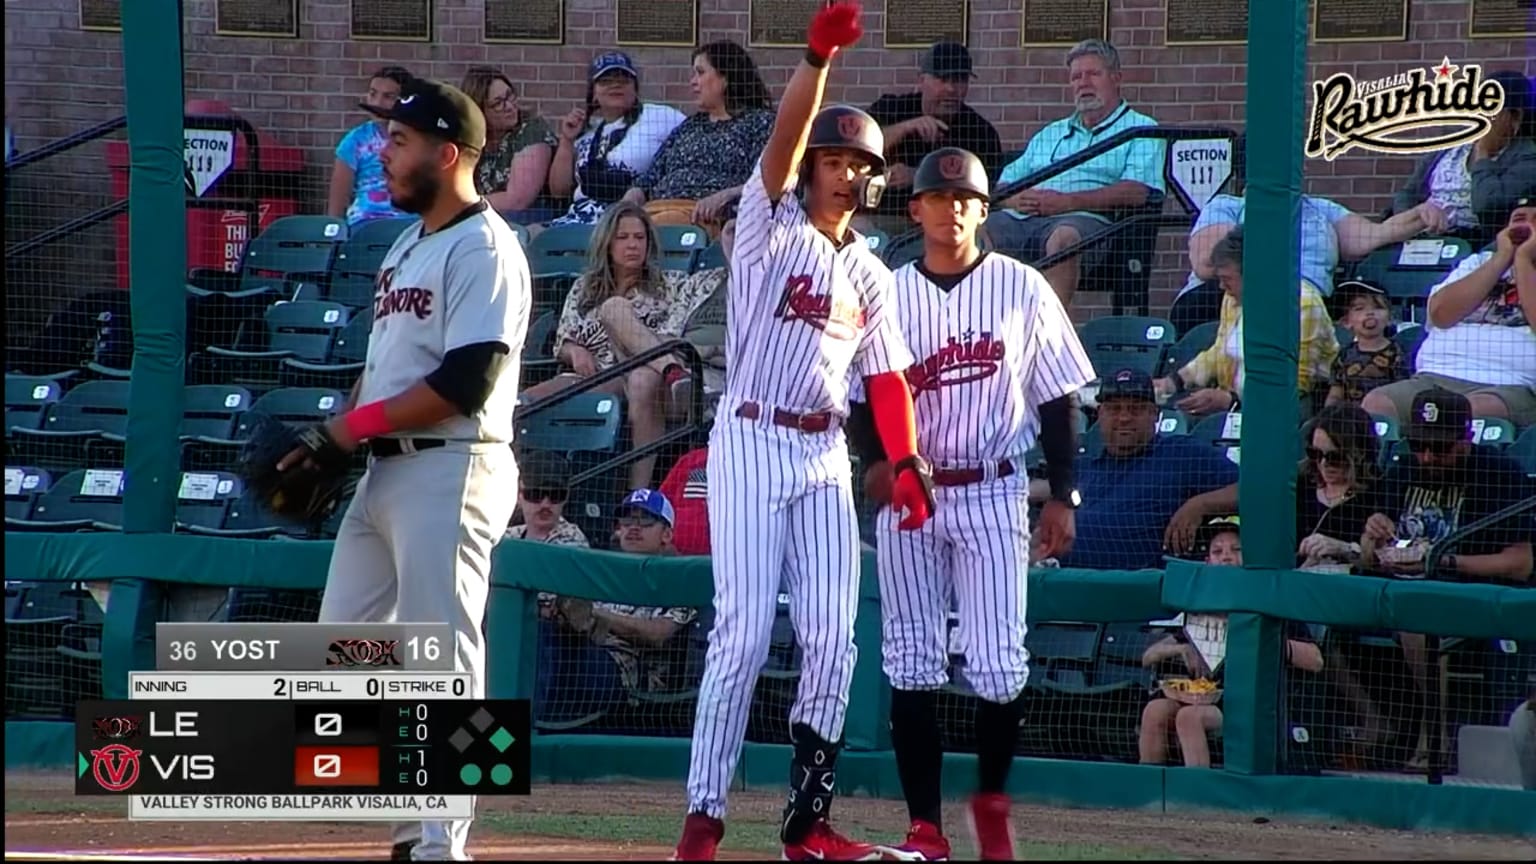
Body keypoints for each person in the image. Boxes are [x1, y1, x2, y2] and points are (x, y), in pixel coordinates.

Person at [671, 4, 931, 860]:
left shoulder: (872, 272)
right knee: (743, 631)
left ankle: (807, 824)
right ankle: (704, 820)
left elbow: (885, 378)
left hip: (822, 452)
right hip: (747, 437)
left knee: (832, 638)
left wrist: (905, 459)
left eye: (859, 165)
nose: (845, 175)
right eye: (833, 161)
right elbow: (778, 143)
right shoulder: (765, 228)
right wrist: (817, 58)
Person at [277, 78, 530, 862]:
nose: (381, 152)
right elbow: (384, 366)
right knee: (343, 648)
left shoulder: (486, 246)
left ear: (447, 154)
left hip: (452, 469)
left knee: (446, 658)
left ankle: (440, 841)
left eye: (398, 141)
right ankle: (406, 826)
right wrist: (333, 437)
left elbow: (466, 382)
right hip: (386, 472)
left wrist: (348, 428)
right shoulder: (406, 241)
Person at [845, 148, 1094, 861]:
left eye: (965, 199)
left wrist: (1064, 492)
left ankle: (989, 804)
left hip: (992, 485)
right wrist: (874, 462)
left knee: (996, 660)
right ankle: (925, 824)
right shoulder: (889, 291)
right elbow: (865, 393)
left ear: (983, 210)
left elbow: (1056, 394)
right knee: (912, 658)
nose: (951, 208)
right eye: (937, 197)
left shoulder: (1021, 287)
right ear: (915, 208)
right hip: (912, 493)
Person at [519, 201, 716, 489]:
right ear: (607, 243)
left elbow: (673, 335)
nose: (632, 245)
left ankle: (671, 373)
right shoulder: (584, 287)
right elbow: (562, 339)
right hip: (595, 376)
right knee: (525, 404)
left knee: (616, 312)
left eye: (639, 237)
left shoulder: (670, 285)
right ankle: (520, 490)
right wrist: (575, 351)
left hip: (645, 375)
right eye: (623, 238)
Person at [1170, 133, 1443, 332]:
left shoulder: (1318, 208)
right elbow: (1207, 264)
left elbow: (1372, 235)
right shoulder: (1228, 206)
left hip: (1305, 308)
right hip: (1229, 302)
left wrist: (1421, 213)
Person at [986, 39, 1165, 306]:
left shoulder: (1142, 128)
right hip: (1024, 217)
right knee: (973, 232)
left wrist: (1068, 202)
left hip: (1088, 223)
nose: (1083, 83)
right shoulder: (1052, 132)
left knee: (1064, 239)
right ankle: (985, 329)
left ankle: (1051, 340)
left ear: (1116, 78)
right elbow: (1003, 185)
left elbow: (1137, 191)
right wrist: (1016, 200)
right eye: (1076, 77)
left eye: (1093, 74)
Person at [1137, 518, 1326, 769]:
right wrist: (1182, 648)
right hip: (1202, 698)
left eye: (1236, 550)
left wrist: (1262, 642)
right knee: (1155, 710)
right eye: (1218, 552)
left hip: (1249, 704)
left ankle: (1197, 798)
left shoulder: (1269, 601)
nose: (1226, 557)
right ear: (1208, 563)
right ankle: (1150, 801)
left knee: (1189, 717)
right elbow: (1148, 656)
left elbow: (1315, 660)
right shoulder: (1202, 608)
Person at [1035, 368, 1238, 569]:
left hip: (1140, 589)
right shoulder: (1086, 464)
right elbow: (1043, 490)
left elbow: (1252, 490)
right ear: (1100, 415)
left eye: (1135, 409)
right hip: (1069, 584)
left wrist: (1200, 504)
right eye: (1114, 409)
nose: (1124, 418)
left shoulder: (1180, 453)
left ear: (1154, 414)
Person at [1361, 199, 1536, 429]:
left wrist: (1523, 260)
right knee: (1377, 403)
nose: (1527, 227)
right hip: (1434, 377)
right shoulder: (1478, 263)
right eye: (1519, 220)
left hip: (1508, 386)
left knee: (1463, 414)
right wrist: (1502, 257)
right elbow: (1440, 314)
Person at [1154, 226, 1340, 417]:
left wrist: (1231, 400)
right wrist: (1174, 382)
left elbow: (1299, 382)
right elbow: (1220, 351)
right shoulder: (1232, 298)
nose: (1221, 286)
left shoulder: (1303, 304)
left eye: (1227, 279)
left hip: (1291, 410)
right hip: (1234, 402)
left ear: (1254, 276)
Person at [1360, 389, 1534, 585]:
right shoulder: (1402, 470)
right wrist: (1372, 538)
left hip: (1465, 598)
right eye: (1417, 445)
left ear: (1468, 437)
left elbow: (1521, 564)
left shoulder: (1499, 475)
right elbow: (1368, 558)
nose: (1427, 457)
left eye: (1440, 447)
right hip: (1398, 593)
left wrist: (1441, 562)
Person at [621, 41, 775, 231]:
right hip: (657, 210)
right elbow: (649, 178)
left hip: (712, 219)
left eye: (700, 73)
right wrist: (628, 203)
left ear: (725, 78)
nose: (693, 81)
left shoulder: (759, 123)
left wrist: (724, 196)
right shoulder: (689, 126)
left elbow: (769, 182)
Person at [865, 42, 1005, 232]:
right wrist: (906, 127)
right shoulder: (891, 108)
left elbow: (983, 192)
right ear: (921, 80)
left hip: (941, 227)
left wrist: (917, 176)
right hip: (878, 216)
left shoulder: (980, 132)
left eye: (959, 80)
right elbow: (860, 147)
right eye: (942, 79)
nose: (950, 88)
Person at [1390, 71, 1536, 246]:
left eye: (1488, 108)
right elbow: (1407, 194)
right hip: (1418, 240)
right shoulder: (1451, 147)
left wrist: (1483, 153)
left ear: (1515, 117)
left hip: (1470, 246)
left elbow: (1488, 205)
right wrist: (1413, 215)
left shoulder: (1527, 157)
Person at [546, 52, 687, 227]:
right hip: (579, 218)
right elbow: (559, 191)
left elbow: (693, 141)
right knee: (529, 234)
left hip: (628, 219)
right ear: (594, 93)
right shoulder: (587, 131)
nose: (616, 85)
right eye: (606, 81)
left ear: (635, 88)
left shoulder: (661, 117)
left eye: (624, 80)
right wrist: (567, 141)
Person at [460, 66, 558, 223]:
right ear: (479, 111)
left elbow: (517, 200)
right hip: (482, 216)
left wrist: (460, 204)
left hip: (528, 220)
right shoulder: (471, 139)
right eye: (498, 103)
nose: (510, 107)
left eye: (509, 96)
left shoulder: (531, 130)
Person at [327, 65, 413, 226]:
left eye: (388, 96)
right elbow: (337, 206)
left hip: (409, 226)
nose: (377, 103)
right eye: (373, 94)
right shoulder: (355, 140)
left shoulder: (419, 140)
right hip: (364, 226)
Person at [1325, 280, 1409, 408]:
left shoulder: (1398, 354)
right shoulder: (1344, 356)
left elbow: (1402, 394)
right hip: (1350, 419)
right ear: (1346, 322)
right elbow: (1336, 394)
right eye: (1359, 308)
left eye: (1378, 307)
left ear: (1390, 318)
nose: (1370, 312)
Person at [505, 449, 590, 548]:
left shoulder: (572, 542)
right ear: (519, 495)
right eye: (535, 495)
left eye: (555, 495)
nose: (545, 504)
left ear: (566, 497)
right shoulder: (507, 537)